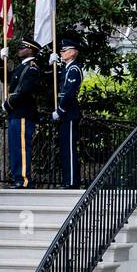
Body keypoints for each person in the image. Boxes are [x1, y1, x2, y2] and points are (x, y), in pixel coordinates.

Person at [4, 37, 42, 189]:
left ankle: (24, 179)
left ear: (31, 50)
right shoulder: (21, 67)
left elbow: (24, 91)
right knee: (14, 148)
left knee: (21, 147)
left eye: (23, 47)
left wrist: (7, 103)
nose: (19, 49)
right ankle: (17, 177)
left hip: (23, 113)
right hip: (16, 114)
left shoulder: (32, 68)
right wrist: (2, 62)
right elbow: (6, 79)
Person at [53, 35, 84, 188]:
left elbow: (70, 93)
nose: (61, 53)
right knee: (65, 148)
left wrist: (60, 110)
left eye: (64, 51)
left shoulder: (74, 69)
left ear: (73, 52)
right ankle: (67, 180)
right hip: (65, 114)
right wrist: (51, 65)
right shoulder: (65, 69)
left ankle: (72, 182)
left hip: (69, 113)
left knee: (70, 149)